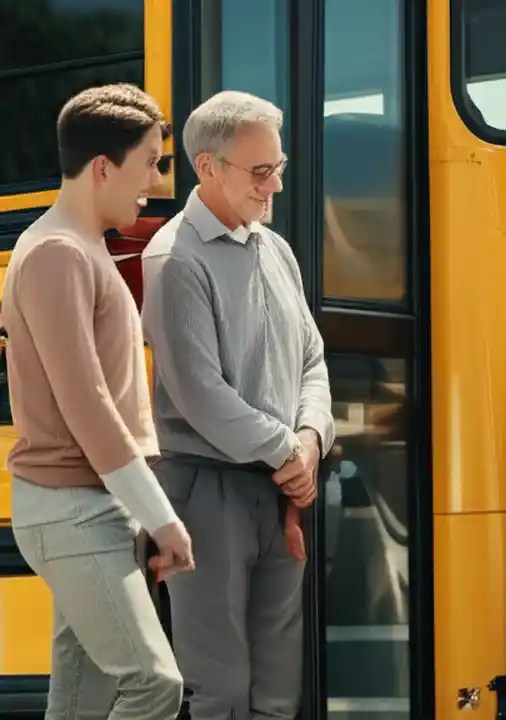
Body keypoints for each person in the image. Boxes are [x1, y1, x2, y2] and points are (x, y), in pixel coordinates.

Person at [140, 89, 335, 718]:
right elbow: (201, 396)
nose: (275, 184)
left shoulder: (276, 250)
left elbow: (313, 360)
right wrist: (290, 451)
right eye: (260, 171)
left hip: (279, 490)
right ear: (207, 167)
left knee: (278, 691)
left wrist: (308, 442)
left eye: (278, 166)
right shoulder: (174, 260)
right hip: (205, 494)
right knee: (218, 689)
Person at [2, 83, 189, 718]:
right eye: (149, 163)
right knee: (153, 684)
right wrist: (161, 517)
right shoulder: (57, 253)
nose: (156, 182)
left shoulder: (81, 249)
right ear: (103, 166)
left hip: (91, 510)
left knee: (83, 701)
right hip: (74, 513)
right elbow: (86, 404)